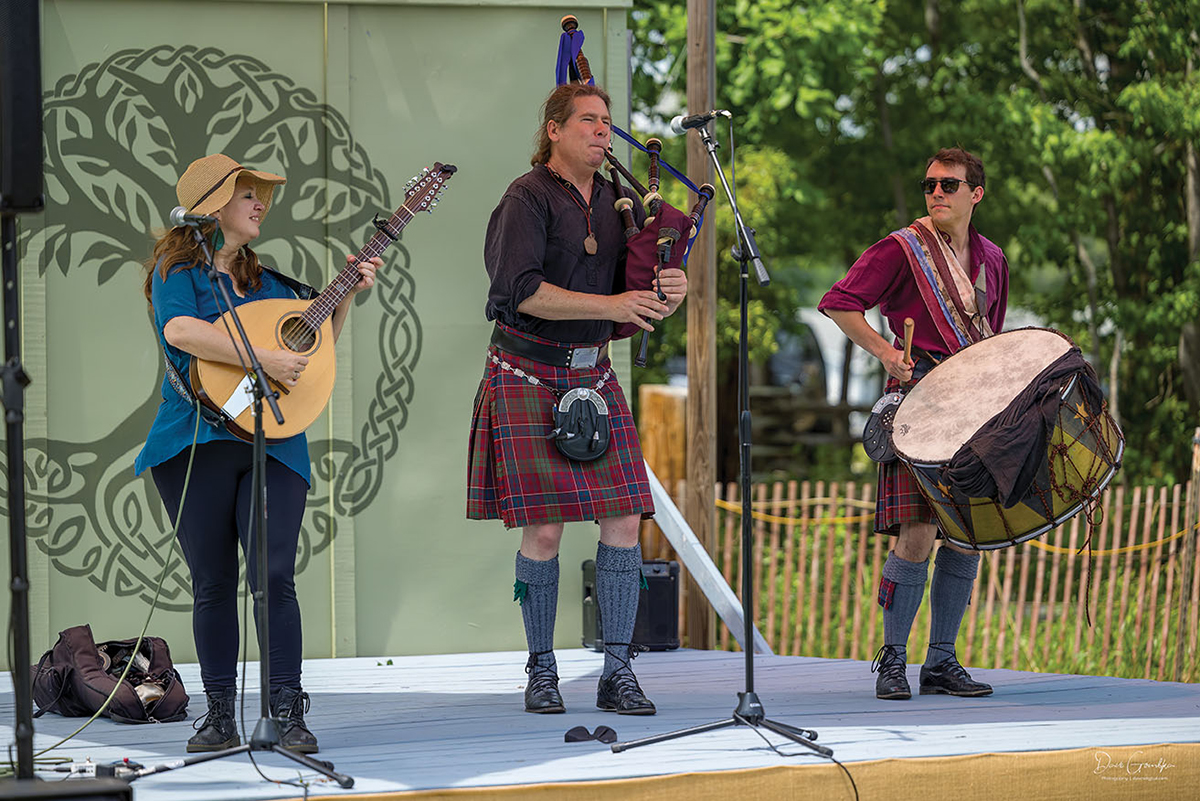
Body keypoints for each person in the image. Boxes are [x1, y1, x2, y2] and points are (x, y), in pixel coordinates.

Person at [135, 153, 381, 752]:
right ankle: (219, 714)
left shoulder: (267, 283)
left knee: (273, 574)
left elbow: (308, 347)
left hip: (274, 437)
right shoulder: (178, 268)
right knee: (214, 580)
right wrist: (261, 359)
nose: (260, 204)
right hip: (195, 437)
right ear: (215, 204)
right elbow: (180, 332)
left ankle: (287, 711)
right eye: (249, 193)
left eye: (262, 195)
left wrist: (344, 296)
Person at [466, 83, 686, 716]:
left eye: (607, 123)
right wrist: (614, 304)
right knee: (545, 529)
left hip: (596, 373)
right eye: (589, 121)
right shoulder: (525, 198)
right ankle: (542, 671)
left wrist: (666, 290)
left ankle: (618, 671)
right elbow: (522, 292)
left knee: (623, 518)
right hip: (529, 373)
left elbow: (636, 293)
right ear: (554, 130)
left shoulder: (621, 205)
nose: (601, 132)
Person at [818, 147, 1009, 700]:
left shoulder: (992, 258)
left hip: (971, 410)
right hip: (916, 402)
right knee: (917, 534)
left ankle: (942, 662)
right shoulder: (902, 248)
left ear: (976, 193)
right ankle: (894, 660)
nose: (937, 194)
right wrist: (883, 351)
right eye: (930, 185)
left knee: (968, 537)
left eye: (950, 185)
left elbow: (989, 341)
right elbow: (839, 302)